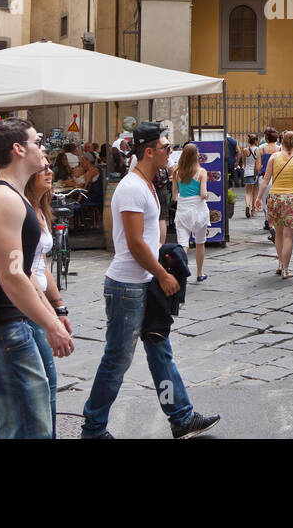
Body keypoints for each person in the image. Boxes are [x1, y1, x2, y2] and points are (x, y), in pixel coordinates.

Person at [80, 122, 220, 439]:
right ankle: (93, 427)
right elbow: (133, 243)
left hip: (143, 283)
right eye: (166, 148)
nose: (169, 153)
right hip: (127, 287)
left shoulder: (147, 184)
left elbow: (148, 235)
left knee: (160, 351)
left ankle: (181, 417)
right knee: (117, 359)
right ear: (148, 151)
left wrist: (162, 260)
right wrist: (162, 273)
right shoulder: (131, 188)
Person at [0, 118, 73, 439]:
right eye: (37, 142)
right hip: (0, 332)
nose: (42, 148)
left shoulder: (14, 197)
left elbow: (25, 272)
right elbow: (12, 277)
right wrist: (52, 325)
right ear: (18, 149)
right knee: (29, 428)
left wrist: (54, 312)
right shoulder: (5, 200)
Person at [24, 166, 72, 438]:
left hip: (41, 302)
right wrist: (49, 317)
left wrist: (59, 304)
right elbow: (24, 270)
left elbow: (41, 262)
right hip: (29, 306)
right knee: (45, 382)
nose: (50, 172)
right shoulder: (23, 210)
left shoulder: (41, 209)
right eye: (42, 169)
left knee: (43, 383)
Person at [262, 131, 293, 278]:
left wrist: (258, 198)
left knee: (278, 234)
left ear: (281, 142)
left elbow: (265, 180)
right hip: (292, 199)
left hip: (275, 198)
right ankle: (285, 269)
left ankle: (280, 263)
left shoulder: (274, 157)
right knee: (289, 236)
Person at [173, 143, 212, 283]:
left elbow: (174, 196)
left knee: (183, 244)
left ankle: (179, 273)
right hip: (199, 211)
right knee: (200, 243)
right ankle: (199, 273)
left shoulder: (177, 172)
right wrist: (206, 194)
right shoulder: (202, 172)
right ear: (196, 155)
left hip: (183, 210)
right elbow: (203, 194)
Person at [254, 127, 281, 237]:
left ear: (266, 137)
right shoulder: (280, 149)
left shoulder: (261, 150)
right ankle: (278, 225)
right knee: (277, 203)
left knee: (266, 204)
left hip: (265, 178)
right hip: (277, 178)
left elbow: (258, 167)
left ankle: (271, 226)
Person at [242, 134, 260, 218]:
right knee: (255, 192)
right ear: (256, 141)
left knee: (248, 192)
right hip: (255, 173)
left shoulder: (245, 150)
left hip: (247, 172)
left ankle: (247, 206)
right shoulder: (258, 150)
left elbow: (243, 163)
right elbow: (259, 163)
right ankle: (253, 210)